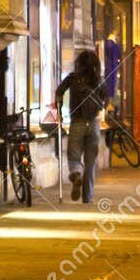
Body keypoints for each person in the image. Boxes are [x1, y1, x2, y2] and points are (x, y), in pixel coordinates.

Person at [54, 50, 106, 202]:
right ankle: (87, 196)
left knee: (74, 156)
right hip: (94, 124)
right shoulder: (99, 80)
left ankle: (76, 174)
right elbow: (104, 101)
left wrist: (59, 110)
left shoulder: (72, 78)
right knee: (90, 162)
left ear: (79, 63)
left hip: (77, 122)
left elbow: (59, 92)